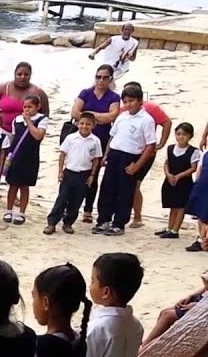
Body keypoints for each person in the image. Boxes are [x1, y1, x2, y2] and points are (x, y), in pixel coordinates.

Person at [76, 253, 145, 357]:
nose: (90, 286)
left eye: (93, 281)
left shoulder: (99, 329)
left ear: (106, 292)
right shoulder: (136, 325)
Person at [94, 85, 157, 236]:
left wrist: (137, 165)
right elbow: (113, 136)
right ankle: (103, 220)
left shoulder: (147, 120)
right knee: (107, 188)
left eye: (132, 101)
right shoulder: (122, 116)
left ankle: (119, 223)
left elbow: (150, 145)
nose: (128, 104)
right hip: (114, 154)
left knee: (125, 191)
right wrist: (106, 155)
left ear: (140, 101)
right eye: (126, 101)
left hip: (130, 157)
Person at [70, 64, 121, 224]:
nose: (101, 80)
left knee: (93, 174)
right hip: (81, 138)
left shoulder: (113, 97)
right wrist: (98, 117)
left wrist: (89, 116)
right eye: (98, 77)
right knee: (74, 171)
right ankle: (69, 206)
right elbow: (75, 113)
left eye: (105, 77)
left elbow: (112, 116)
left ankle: (88, 209)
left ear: (111, 79)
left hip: (101, 139)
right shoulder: (85, 93)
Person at [45, 112, 103, 235]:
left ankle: (68, 223)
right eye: (82, 123)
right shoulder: (71, 138)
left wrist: (92, 175)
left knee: (77, 200)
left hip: (84, 174)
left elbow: (96, 159)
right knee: (62, 198)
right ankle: (52, 223)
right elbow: (62, 155)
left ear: (93, 125)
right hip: (69, 172)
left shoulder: (95, 141)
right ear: (77, 124)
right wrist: (60, 171)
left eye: (88, 124)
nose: (84, 126)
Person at [130, 92, 173, 229]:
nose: (129, 102)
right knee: (125, 184)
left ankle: (137, 217)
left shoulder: (151, 107)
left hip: (147, 152)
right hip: (128, 151)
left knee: (136, 184)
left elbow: (167, 122)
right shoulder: (123, 108)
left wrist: (161, 143)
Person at [2, 96, 47, 226]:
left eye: (30, 107)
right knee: (12, 184)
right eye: (25, 107)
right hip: (16, 155)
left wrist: (29, 121)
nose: (27, 110)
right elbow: (14, 136)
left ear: (37, 106)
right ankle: (9, 210)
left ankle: (21, 212)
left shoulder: (42, 119)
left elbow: (38, 135)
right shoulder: (17, 119)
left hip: (30, 156)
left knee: (24, 185)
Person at [159, 122, 201, 239]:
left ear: (190, 136)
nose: (181, 137)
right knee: (172, 205)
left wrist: (179, 176)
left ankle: (175, 230)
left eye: (184, 134)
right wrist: (168, 174)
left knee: (181, 206)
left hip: (184, 183)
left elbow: (193, 168)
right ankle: (169, 228)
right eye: (178, 134)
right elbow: (167, 163)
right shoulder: (170, 148)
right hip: (170, 180)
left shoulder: (194, 151)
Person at [143, 270, 207, 346]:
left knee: (168, 315)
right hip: (202, 300)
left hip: (204, 309)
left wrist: (201, 306)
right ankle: (148, 342)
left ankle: (147, 346)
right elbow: (205, 286)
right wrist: (191, 296)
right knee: (164, 312)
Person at [0, 62, 50, 132]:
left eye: (26, 74)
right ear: (14, 74)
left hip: (25, 135)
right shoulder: (2, 88)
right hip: (2, 133)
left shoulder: (39, 93)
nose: (23, 77)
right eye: (19, 74)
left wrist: (37, 134)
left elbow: (45, 116)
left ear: (30, 75)